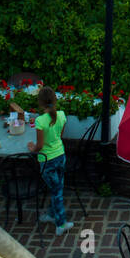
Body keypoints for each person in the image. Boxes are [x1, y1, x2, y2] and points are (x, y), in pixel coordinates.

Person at [26, 85, 74, 235]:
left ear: (40, 103)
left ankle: (61, 224)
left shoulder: (40, 121)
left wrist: (32, 147)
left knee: (56, 191)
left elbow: (40, 146)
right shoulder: (62, 115)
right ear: (55, 100)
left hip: (47, 161)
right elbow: (59, 135)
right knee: (58, 187)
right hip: (61, 156)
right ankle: (52, 215)